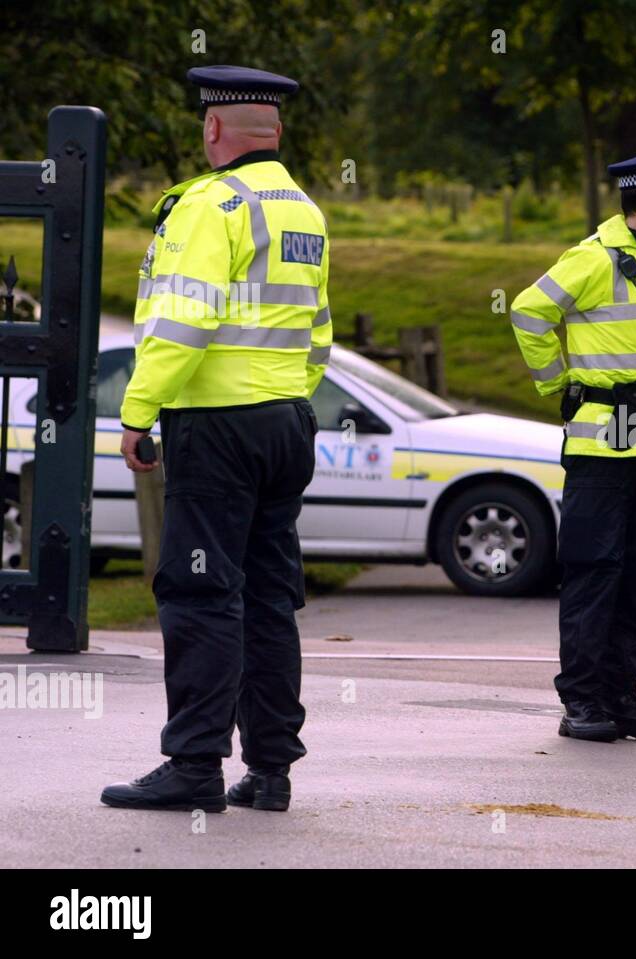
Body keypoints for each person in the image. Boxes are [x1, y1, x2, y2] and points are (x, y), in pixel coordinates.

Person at [102, 65, 330, 812]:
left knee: (201, 591)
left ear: (212, 129)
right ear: (278, 132)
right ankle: (270, 770)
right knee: (267, 596)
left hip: (217, 426)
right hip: (286, 420)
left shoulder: (210, 204)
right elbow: (317, 334)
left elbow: (182, 319)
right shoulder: (303, 210)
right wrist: (287, 397)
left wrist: (140, 410)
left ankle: (195, 764)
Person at [510, 147, 636, 744]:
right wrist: (557, 385)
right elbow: (529, 311)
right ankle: (583, 702)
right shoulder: (594, 259)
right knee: (594, 570)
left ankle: (624, 699)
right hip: (599, 446)